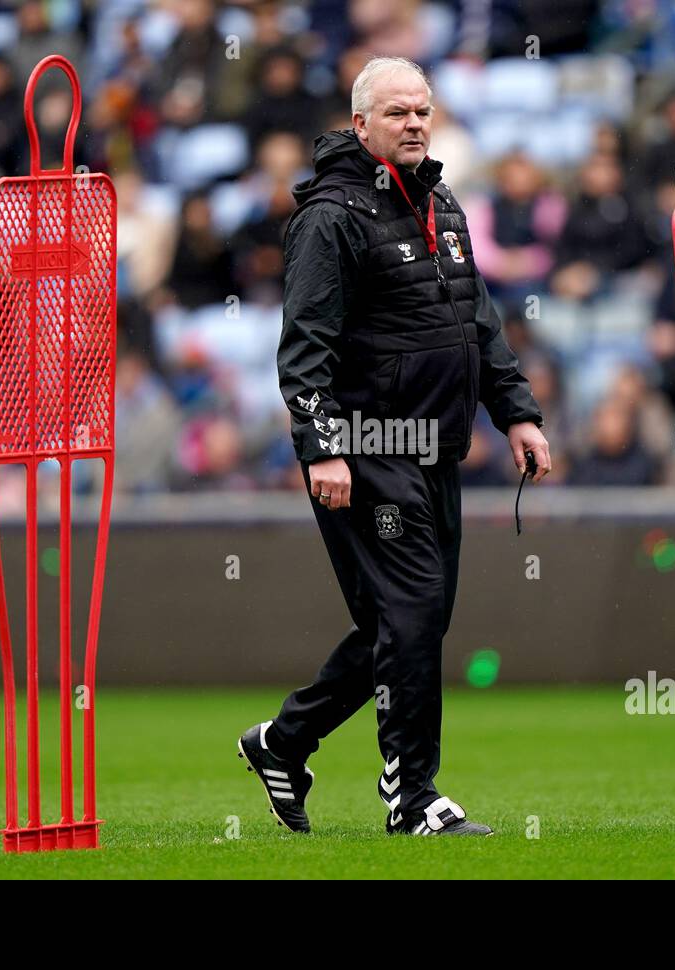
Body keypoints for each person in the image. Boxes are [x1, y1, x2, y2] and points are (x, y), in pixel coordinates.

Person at [238, 57, 551, 837]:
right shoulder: (331, 216)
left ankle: (285, 742)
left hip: (434, 447)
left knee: (407, 621)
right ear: (361, 125)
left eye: (423, 110)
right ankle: (413, 797)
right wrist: (322, 450)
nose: (414, 123)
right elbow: (303, 347)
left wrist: (516, 413)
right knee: (411, 615)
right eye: (397, 113)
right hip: (367, 445)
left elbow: (479, 323)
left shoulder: (441, 204)